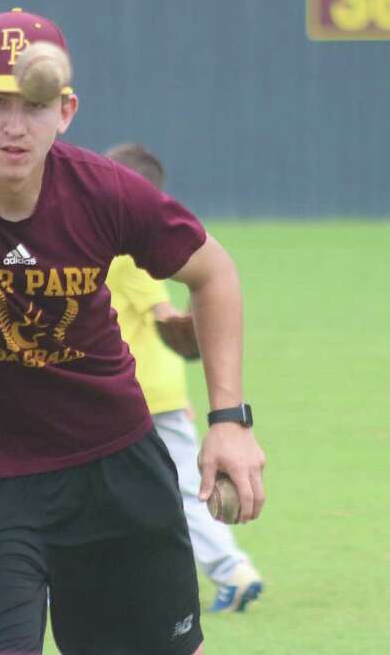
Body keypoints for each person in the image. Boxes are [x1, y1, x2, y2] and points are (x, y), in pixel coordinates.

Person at [0, 8, 265, 655]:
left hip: (112, 471)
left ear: (66, 110)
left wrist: (228, 420)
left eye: (36, 103)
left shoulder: (106, 192)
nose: (16, 125)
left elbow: (214, 273)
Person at [104, 143, 265, 615]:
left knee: (185, 490)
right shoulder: (127, 251)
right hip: (157, 393)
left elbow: (164, 316)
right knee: (144, 492)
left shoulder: (119, 256)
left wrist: (192, 320)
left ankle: (232, 571)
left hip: (136, 396)